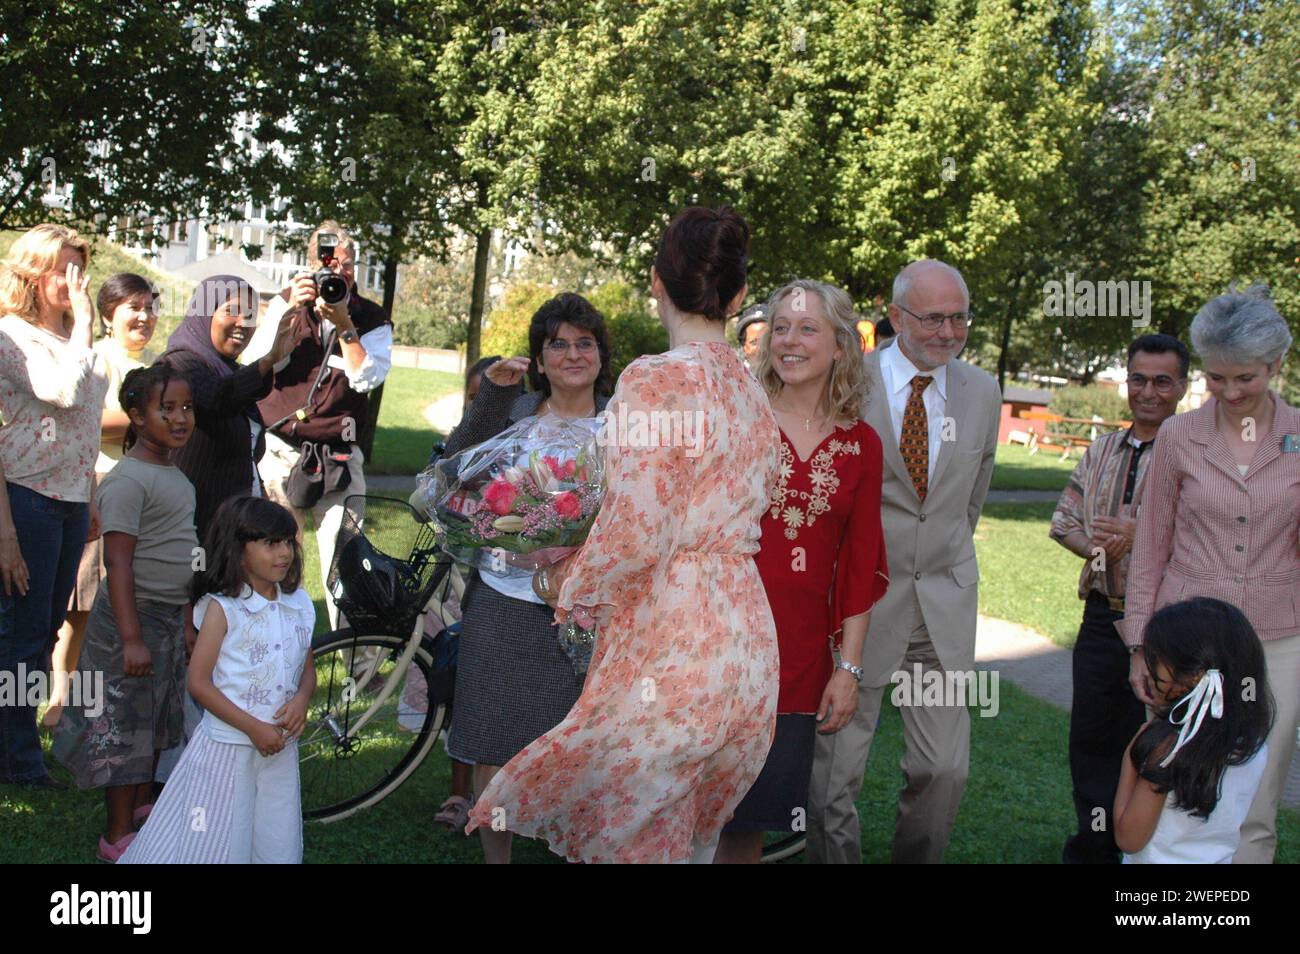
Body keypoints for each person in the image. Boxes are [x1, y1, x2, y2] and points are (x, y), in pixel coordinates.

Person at [467, 206, 782, 864]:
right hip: (747, 640)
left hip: (674, 635)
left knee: (638, 837)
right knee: (688, 835)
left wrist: (561, 580)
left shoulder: (653, 380)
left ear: (656, 283)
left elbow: (640, 531)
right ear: (741, 295)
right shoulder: (752, 390)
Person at [807, 259, 1001, 864]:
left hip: (943, 609)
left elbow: (970, 499)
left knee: (944, 771)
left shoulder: (983, 392)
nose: (949, 332)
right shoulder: (845, 382)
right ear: (895, 316)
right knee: (834, 777)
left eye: (960, 318)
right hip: (858, 610)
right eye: (934, 318)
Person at [1117, 284, 1297, 864]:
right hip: (1185, 647)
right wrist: (1142, 645)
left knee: (1255, 798)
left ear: (1275, 365)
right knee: (1174, 782)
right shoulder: (1179, 436)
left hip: (1278, 643)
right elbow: (1149, 547)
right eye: (1216, 378)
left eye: (1245, 377)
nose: (1230, 392)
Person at [714, 279, 889, 864]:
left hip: (799, 659)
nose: (789, 340)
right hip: (714, 643)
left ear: (841, 346)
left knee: (748, 822)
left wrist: (849, 669)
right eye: (781, 327)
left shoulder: (862, 445)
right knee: (686, 807)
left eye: (807, 328)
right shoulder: (739, 420)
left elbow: (862, 563)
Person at [443, 295, 612, 863]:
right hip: (503, 601)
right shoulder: (516, 415)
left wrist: (581, 549)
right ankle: (498, 858)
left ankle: (573, 849)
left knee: (580, 745)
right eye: (557, 344)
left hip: (589, 611)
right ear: (539, 358)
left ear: (600, 354)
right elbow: (457, 465)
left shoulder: (622, 424)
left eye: (584, 343)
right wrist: (493, 392)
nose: (571, 354)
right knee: (494, 738)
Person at [1050, 333, 1189, 863]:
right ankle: (1095, 845)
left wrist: (1142, 533)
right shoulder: (1103, 449)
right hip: (1100, 620)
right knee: (1090, 739)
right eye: (1138, 379)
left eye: (1161, 381)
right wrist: (1102, 550)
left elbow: (1203, 537)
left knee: (1151, 743)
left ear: (1180, 387)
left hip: (1164, 630)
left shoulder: (1192, 454)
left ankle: (1143, 852)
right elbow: (1064, 522)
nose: (1148, 392)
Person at [52, 363, 197, 862]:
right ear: (135, 416)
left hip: (165, 620)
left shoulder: (175, 475)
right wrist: (132, 638)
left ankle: (139, 811)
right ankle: (116, 836)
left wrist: (184, 620)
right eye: (167, 409)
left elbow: (181, 554)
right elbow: (119, 561)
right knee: (125, 731)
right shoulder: (129, 480)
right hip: (129, 624)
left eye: (187, 408)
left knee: (155, 721)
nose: (181, 418)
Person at [120, 496, 315, 864]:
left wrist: (302, 699)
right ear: (238, 551)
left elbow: (306, 669)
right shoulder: (223, 608)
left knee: (274, 832)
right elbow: (199, 683)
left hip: (280, 747)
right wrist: (254, 729)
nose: (284, 552)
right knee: (218, 836)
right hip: (229, 749)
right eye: (270, 543)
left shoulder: (299, 604)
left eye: (288, 541)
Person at [0, 224, 107, 789]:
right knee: (20, 635)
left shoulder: (75, 336)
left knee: (43, 632)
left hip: (69, 502)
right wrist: (6, 531)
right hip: (27, 498)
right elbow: (62, 393)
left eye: (78, 269)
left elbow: (86, 423)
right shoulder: (11, 335)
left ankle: (17, 747)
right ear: (32, 274)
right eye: (61, 270)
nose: (74, 282)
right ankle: (19, 762)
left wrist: (88, 494)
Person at [248, 221, 393, 629]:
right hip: (281, 451)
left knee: (348, 556)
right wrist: (288, 310)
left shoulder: (372, 318)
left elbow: (367, 379)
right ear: (310, 265)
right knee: (276, 555)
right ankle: (276, 645)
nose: (338, 273)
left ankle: (353, 659)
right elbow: (256, 363)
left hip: (339, 454)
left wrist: (345, 324)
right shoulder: (287, 303)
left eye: (346, 265)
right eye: (329, 264)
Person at [46, 273, 161, 728]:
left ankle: (103, 699)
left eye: (150, 306)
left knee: (122, 600)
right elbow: (90, 420)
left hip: (142, 491)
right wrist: (150, 418)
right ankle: (58, 700)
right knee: (82, 603)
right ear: (108, 316)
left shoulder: (154, 362)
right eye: (134, 307)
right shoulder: (99, 359)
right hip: (100, 485)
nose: (144, 316)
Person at [1115, 598, 1273, 864]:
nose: (1151, 669)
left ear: (1194, 675)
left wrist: (1131, 758)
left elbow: (1128, 838)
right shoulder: (1252, 745)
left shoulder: (1166, 747)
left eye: (1156, 658)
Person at [164, 275, 296, 540]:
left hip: (232, 526)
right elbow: (216, 400)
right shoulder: (180, 363)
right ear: (204, 313)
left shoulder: (227, 370)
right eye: (232, 311)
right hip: (192, 527)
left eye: (250, 315)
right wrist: (268, 360)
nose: (243, 323)